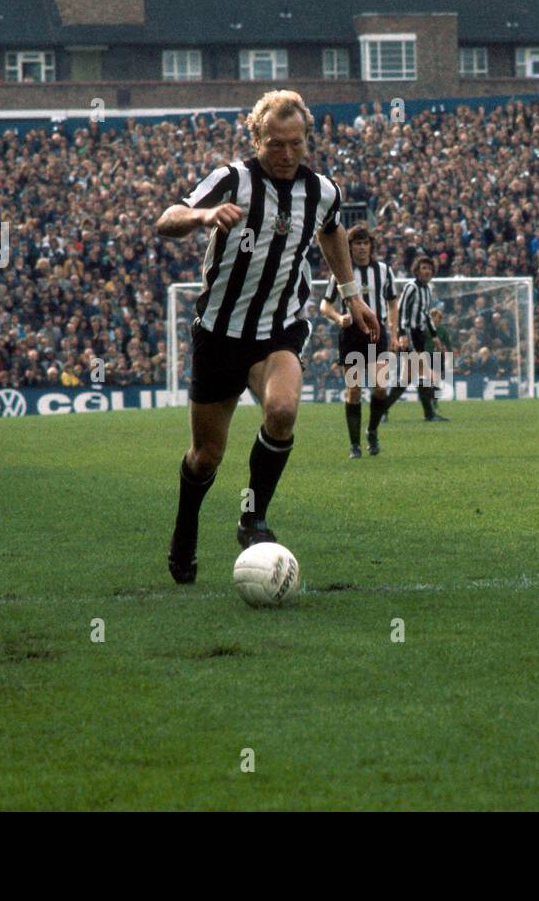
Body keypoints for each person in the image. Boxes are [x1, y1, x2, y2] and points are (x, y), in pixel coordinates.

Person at [155, 89, 379, 585]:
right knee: (206, 455)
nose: (286, 154)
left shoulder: (322, 190)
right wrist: (204, 216)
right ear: (257, 137)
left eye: (295, 144)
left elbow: (332, 231)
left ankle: (252, 516)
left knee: (281, 412)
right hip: (218, 333)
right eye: (275, 144)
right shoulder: (232, 179)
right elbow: (167, 220)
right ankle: (185, 526)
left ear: (306, 141)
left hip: (279, 328)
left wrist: (352, 294)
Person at [319, 224, 398, 457]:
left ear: (371, 246)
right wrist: (337, 317)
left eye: (365, 243)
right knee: (353, 390)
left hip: (376, 333)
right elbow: (325, 305)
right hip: (351, 334)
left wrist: (393, 331)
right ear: (349, 247)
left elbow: (393, 302)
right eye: (357, 243)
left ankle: (372, 431)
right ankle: (354, 445)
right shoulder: (341, 273)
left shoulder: (383, 270)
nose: (362, 248)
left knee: (380, 387)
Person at [382, 256, 448, 421]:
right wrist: (402, 334)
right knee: (424, 373)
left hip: (419, 335)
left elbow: (425, 315)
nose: (427, 271)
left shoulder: (427, 290)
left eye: (429, 269)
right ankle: (430, 414)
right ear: (417, 271)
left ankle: (382, 410)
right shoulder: (411, 287)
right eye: (424, 268)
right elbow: (401, 309)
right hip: (409, 334)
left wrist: (434, 336)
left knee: (406, 379)